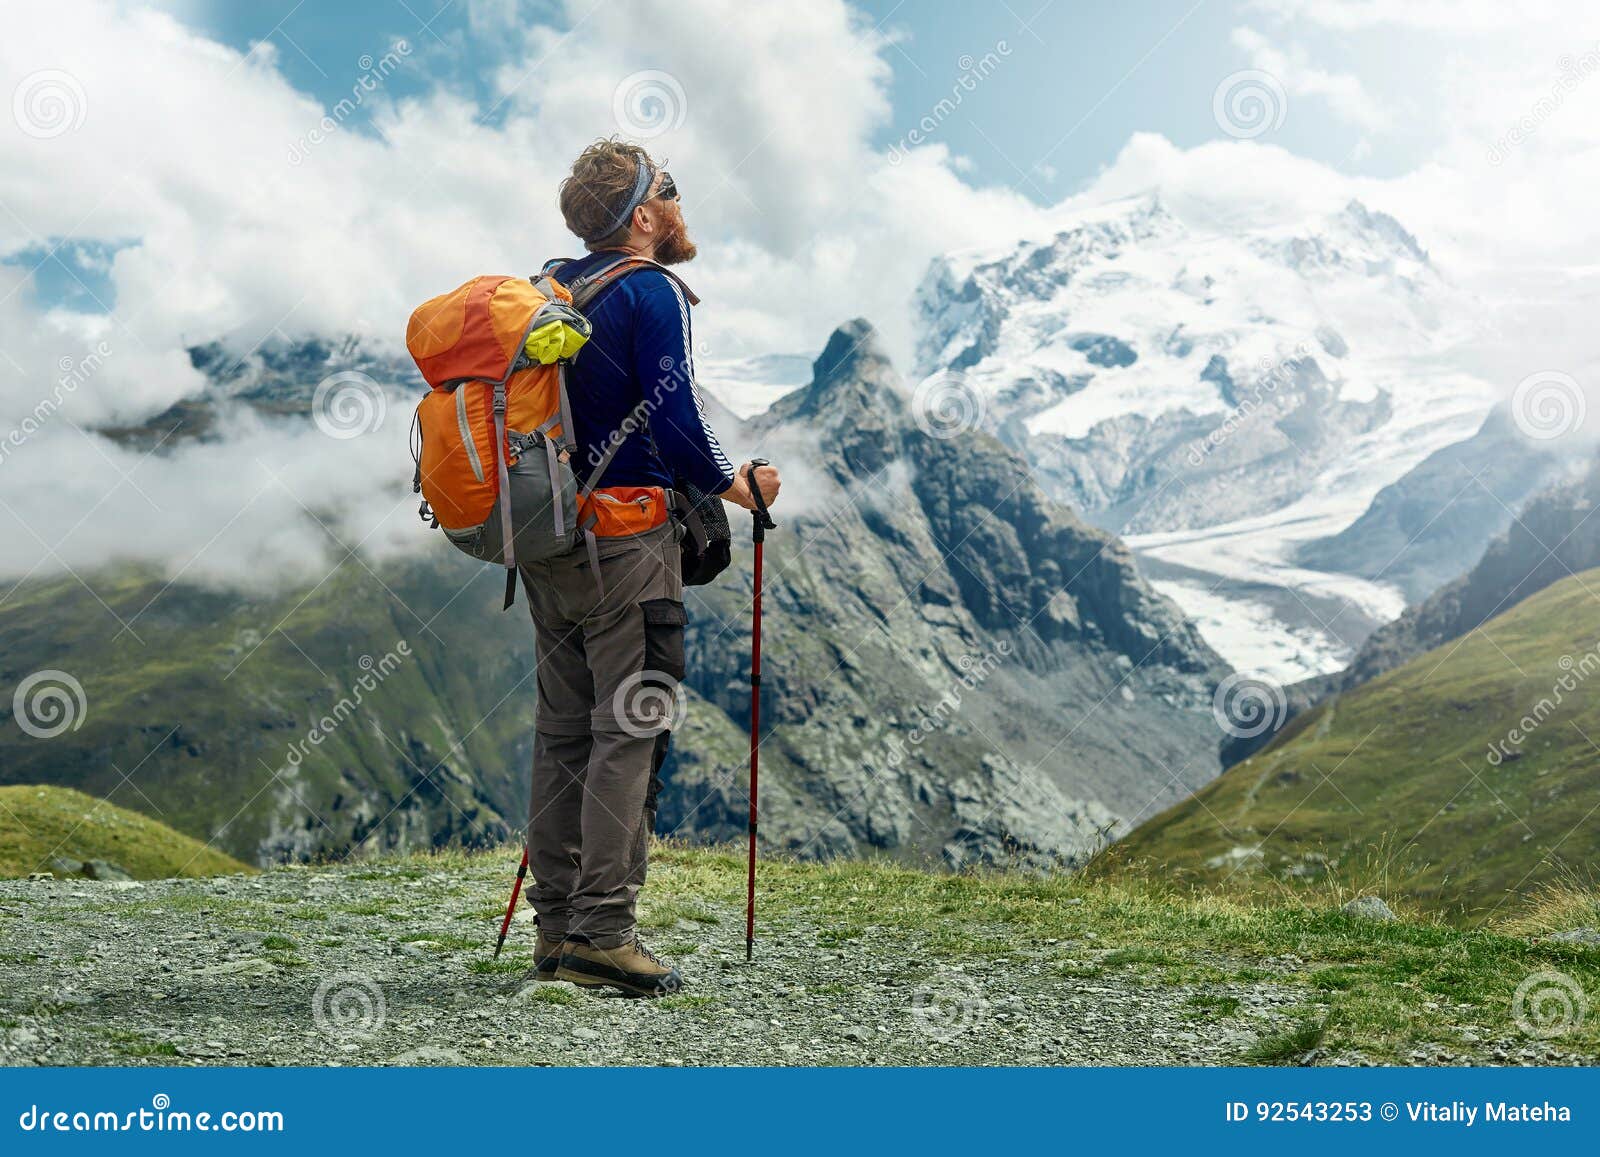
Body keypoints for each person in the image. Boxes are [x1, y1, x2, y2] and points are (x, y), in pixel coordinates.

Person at [521, 138, 780, 997]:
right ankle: (603, 934)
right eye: (670, 188)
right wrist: (740, 485)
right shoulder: (652, 291)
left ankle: (556, 930)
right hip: (628, 547)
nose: (679, 200)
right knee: (628, 732)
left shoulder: (552, 286)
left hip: (550, 541)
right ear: (642, 215)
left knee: (563, 734)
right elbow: (675, 422)